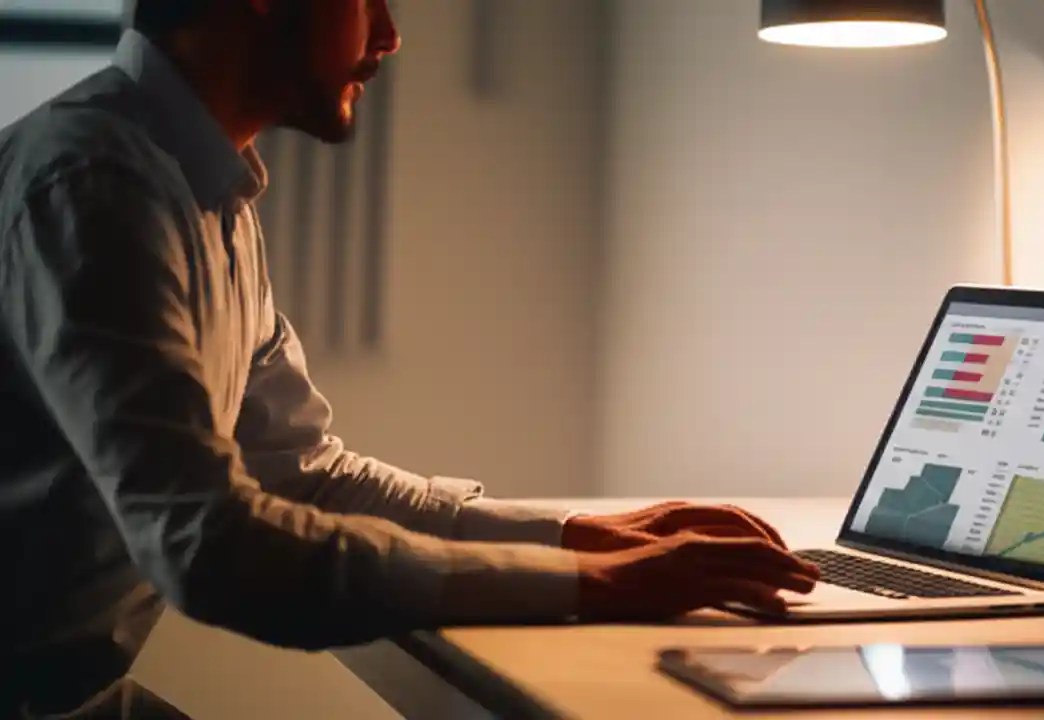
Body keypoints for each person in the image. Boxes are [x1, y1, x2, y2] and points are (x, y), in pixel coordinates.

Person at [0, 0, 820, 716]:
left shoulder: (193, 190)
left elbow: (304, 473)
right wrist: (596, 586)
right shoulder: (93, 188)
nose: (389, 36)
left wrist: (579, 539)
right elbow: (208, 546)